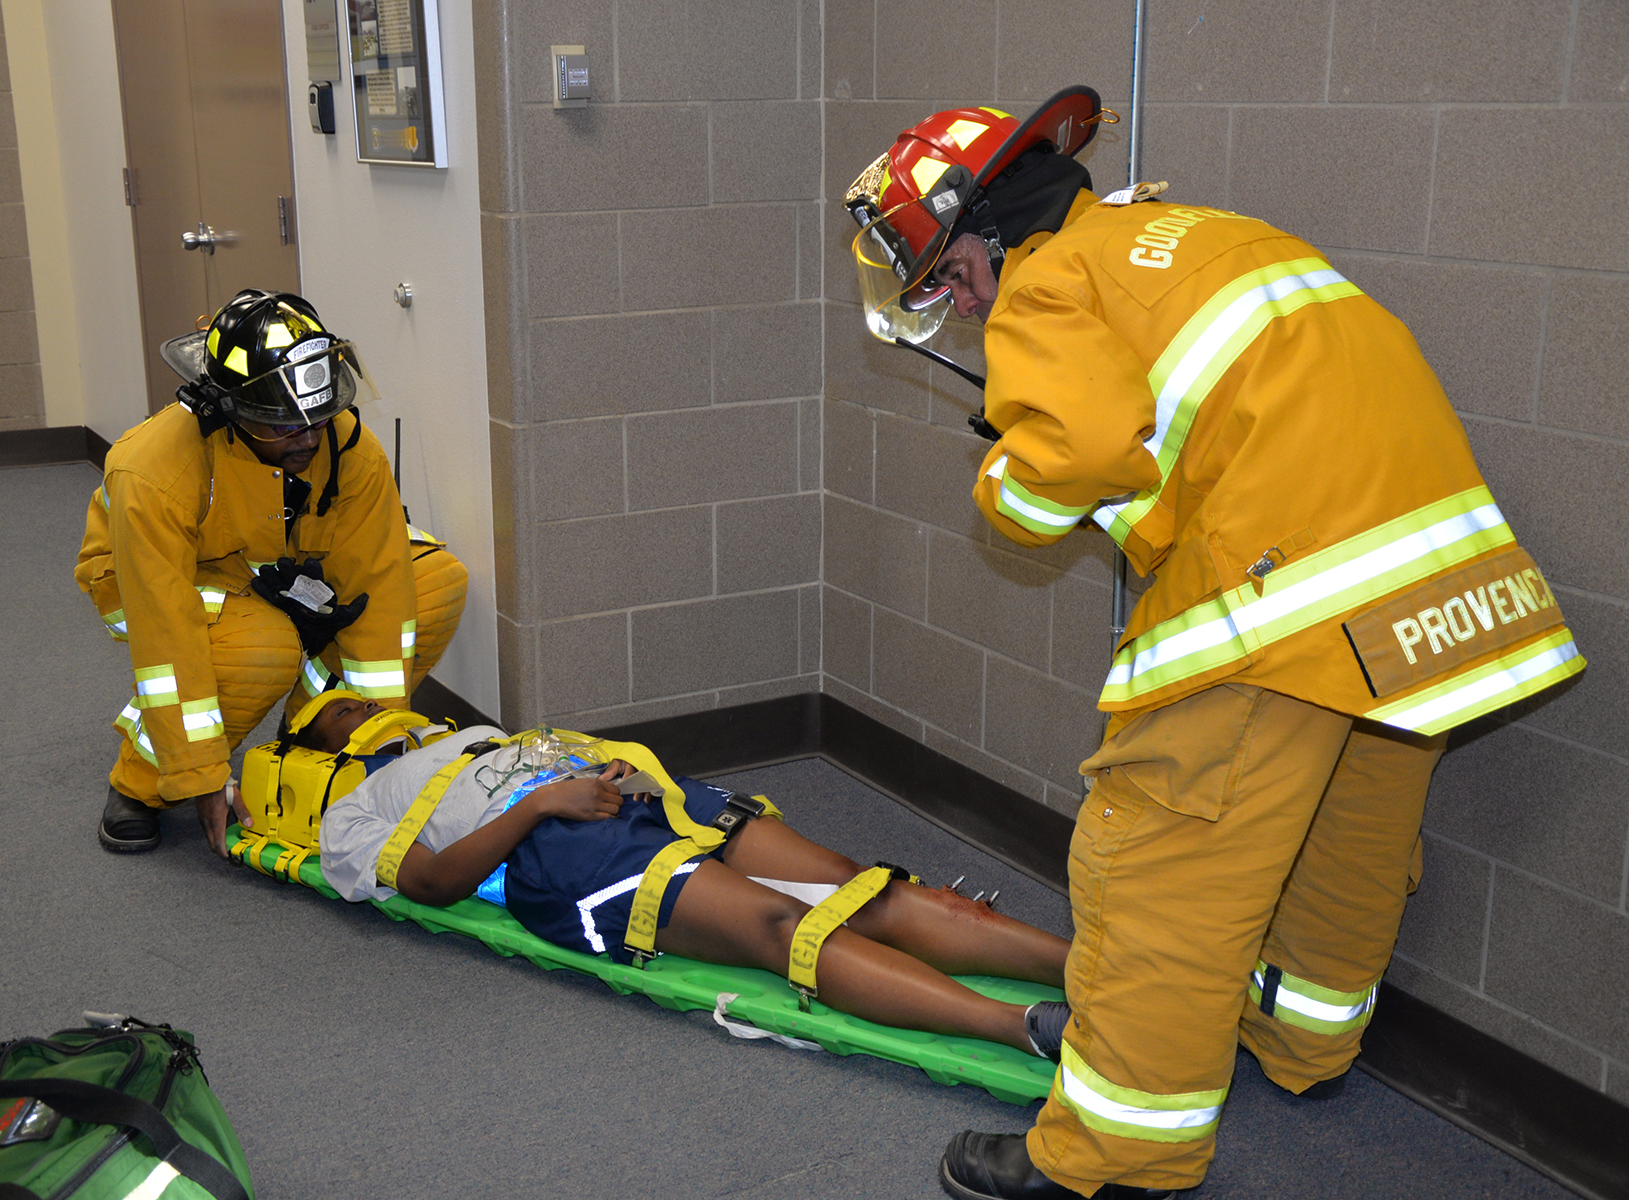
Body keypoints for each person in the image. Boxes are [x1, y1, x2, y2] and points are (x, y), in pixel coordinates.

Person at [843, 88, 1584, 1199]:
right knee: (1348, 836)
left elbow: (1068, 463)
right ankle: (1306, 1047)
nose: (958, 302)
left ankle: (1114, 1161)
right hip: (1433, 587)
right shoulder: (1199, 234)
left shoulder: (1051, 277)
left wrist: (1000, 479)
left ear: (990, 228)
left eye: (950, 275)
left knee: (1153, 871)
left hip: (1286, 594)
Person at [301, 692, 1076, 1061]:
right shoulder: (354, 812)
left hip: (629, 800)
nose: (366, 704)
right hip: (560, 854)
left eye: (364, 696)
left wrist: (601, 777)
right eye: (341, 711)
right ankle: (1026, 1029)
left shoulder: (471, 730)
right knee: (784, 927)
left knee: (857, 884)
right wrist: (540, 808)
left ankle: (1092, 968)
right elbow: (434, 886)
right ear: (319, 750)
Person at [75, 290, 468, 858]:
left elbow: (379, 590)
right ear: (227, 411)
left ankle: (309, 743)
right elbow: (168, 640)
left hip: (275, 565)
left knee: (434, 580)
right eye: (283, 427)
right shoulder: (152, 471)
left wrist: (370, 747)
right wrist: (203, 777)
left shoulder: (351, 448)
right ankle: (144, 783)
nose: (308, 439)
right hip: (155, 580)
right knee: (263, 646)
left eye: (317, 419)